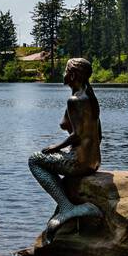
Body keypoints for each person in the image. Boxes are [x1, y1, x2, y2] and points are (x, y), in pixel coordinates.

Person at [28, 57, 102, 241]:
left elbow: (77, 135)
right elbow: (96, 134)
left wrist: (55, 147)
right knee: (48, 160)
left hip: (79, 162)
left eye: (66, 71)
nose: (63, 74)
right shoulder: (90, 98)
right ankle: (65, 205)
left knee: (35, 160)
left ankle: (67, 207)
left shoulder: (75, 100)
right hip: (94, 161)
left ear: (73, 74)